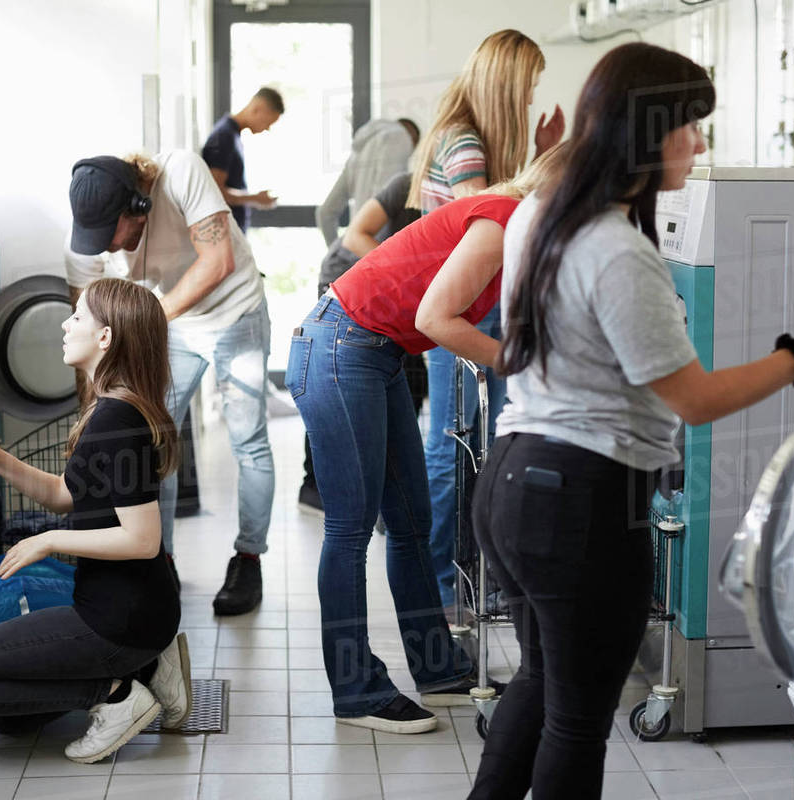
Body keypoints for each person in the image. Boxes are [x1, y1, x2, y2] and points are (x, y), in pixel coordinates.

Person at [467, 43, 794, 800]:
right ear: (644, 129)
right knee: (577, 724)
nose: (700, 144)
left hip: (512, 483)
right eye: (690, 126)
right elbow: (693, 398)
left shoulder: (543, 212)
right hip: (581, 503)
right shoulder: (615, 249)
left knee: (540, 686)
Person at [284, 150, 564, 734]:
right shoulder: (502, 219)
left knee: (411, 523)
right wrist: (526, 368)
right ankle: (356, 690)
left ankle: (438, 668)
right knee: (348, 530)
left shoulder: (513, 227)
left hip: (370, 353)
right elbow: (439, 319)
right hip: (340, 350)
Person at [0, 278, 192, 764]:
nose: (64, 323)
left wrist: (50, 540)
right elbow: (61, 495)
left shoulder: (117, 419)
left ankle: (117, 697)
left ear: (106, 337)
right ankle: (151, 670)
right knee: (12, 718)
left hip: (117, 621)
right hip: (140, 613)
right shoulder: (115, 408)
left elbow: (142, 540)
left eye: (77, 316)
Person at [65, 151, 274, 616]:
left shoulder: (181, 171)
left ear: (137, 207)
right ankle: (162, 560)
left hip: (234, 314)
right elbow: (86, 329)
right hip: (175, 326)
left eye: (110, 235)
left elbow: (218, 260)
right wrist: (92, 413)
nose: (104, 248)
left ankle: (248, 557)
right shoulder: (86, 236)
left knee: (249, 442)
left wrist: (147, 321)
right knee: (154, 440)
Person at [407, 28, 566, 615]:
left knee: (478, 444)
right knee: (454, 448)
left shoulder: (464, 139)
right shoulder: (464, 144)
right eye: (526, 90)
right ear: (506, 87)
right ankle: (441, 590)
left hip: (466, 310)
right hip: (459, 315)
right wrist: (543, 161)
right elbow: (492, 216)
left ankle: (470, 578)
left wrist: (539, 151)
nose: (529, 102)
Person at [298, 170, 425, 516]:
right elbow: (355, 236)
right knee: (328, 385)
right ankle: (312, 485)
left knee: (411, 381)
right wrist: (406, 274)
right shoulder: (407, 184)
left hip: (390, 287)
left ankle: (388, 487)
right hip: (345, 276)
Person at [314, 118, 420, 247]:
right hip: (375, 247)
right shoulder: (400, 137)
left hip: (354, 248)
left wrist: (334, 251)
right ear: (412, 139)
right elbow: (388, 200)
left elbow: (325, 213)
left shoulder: (356, 156)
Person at [201, 86, 283, 232]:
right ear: (258, 108)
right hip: (226, 233)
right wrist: (256, 198)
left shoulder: (233, 135)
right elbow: (216, 192)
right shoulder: (224, 136)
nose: (267, 129)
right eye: (268, 122)